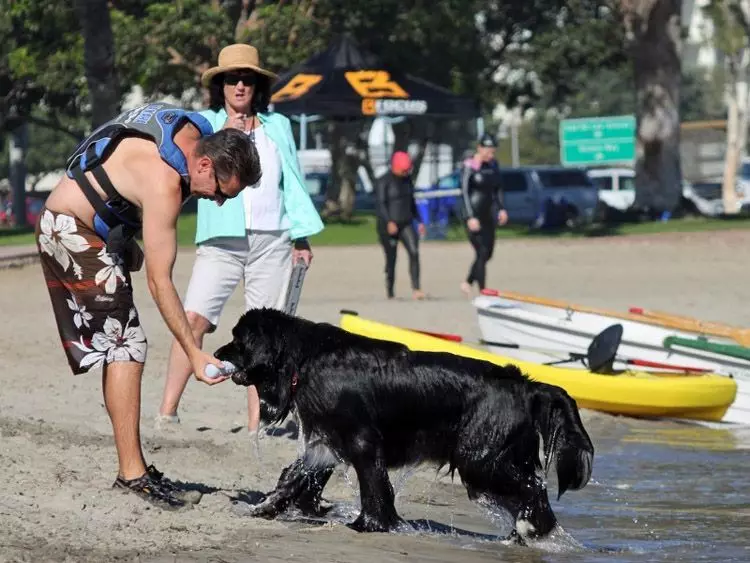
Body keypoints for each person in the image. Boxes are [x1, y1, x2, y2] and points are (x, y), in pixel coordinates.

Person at [35, 101, 261, 509]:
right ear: (206, 165)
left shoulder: (197, 130)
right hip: (69, 227)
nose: (219, 203)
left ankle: (133, 466)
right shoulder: (166, 183)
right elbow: (160, 282)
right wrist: (193, 353)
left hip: (99, 226)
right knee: (125, 344)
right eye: (222, 193)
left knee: (125, 339)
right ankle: (132, 475)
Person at [156, 43, 323, 435]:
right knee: (194, 317)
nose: (240, 85)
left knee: (266, 336)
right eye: (233, 78)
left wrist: (301, 236)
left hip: (272, 238)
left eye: (248, 78)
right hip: (220, 239)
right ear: (222, 85)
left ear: (257, 85)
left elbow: (292, 184)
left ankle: (257, 425)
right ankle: (167, 412)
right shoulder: (206, 125)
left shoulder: (278, 127)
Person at [459, 133, 508, 296]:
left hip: (488, 214)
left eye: (493, 152)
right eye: (488, 151)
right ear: (480, 148)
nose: (491, 155)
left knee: (488, 253)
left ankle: (468, 281)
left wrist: (501, 208)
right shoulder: (469, 166)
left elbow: (498, 189)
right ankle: (483, 290)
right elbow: (465, 192)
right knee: (481, 251)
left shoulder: (493, 166)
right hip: (473, 215)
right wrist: (470, 216)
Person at [375, 151, 426, 300]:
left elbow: (411, 202)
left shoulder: (407, 180)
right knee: (392, 259)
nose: (405, 172)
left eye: (407, 169)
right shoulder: (383, 181)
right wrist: (389, 221)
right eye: (403, 169)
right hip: (388, 225)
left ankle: (417, 288)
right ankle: (390, 291)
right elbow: (381, 204)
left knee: (414, 252)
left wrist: (420, 220)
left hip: (407, 222)